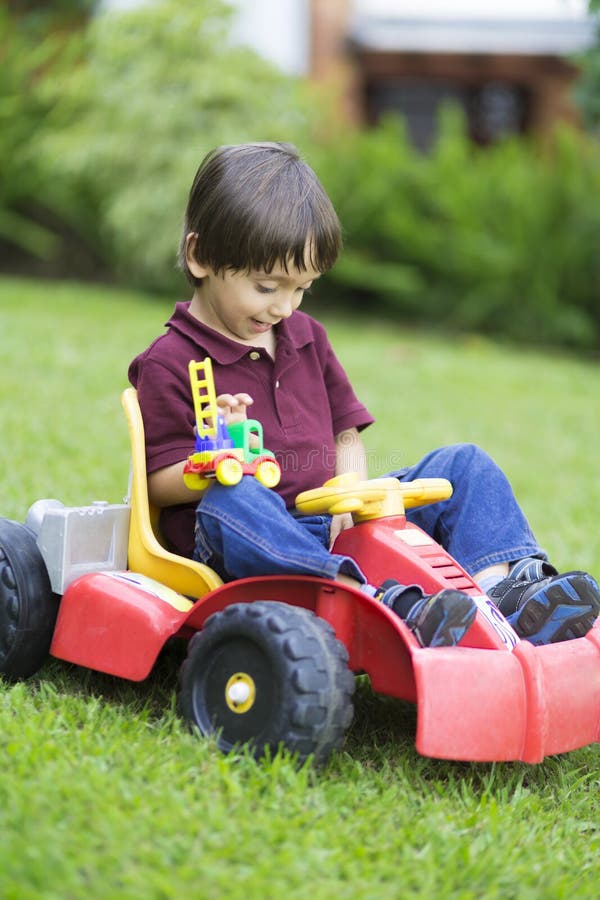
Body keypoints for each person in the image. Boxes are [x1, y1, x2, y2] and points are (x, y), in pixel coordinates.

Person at [128, 141, 600, 650]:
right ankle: (378, 596)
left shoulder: (305, 337)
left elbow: (346, 435)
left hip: (328, 519)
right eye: (267, 287)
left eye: (301, 288)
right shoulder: (171, 362)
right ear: (201, 257)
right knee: (235, 497)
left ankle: (503, 596)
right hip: (242, 539)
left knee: (463, 464)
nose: (285, 307)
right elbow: (155, 485)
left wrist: (345, 509)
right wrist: (216, 461)